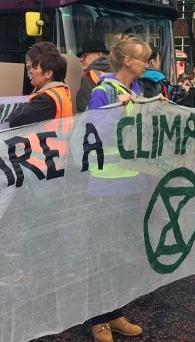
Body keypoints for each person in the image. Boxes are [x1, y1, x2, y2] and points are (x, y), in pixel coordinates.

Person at [85, 34, 148, 342]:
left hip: (130, 182)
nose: (146, 64)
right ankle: (99, 321)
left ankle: (115, 313)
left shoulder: (135, 91)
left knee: (122, 254)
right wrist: (117, 112)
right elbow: (93, 134)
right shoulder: (103, 92)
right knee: (103, 254)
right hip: (105, 184)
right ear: (127, 60)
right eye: (143, 59)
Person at [8, 50, 73, 127]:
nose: (30, 71)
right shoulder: (61, 91)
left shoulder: (45, 99)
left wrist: (30, 99)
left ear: (48, 74)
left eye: (35, 68)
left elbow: (14, 121)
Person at [76, 39, 111, 112]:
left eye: (84, 55)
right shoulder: (118, 70)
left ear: (99, 54)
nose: (81, 59)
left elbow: (83, 109)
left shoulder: (90, 76)